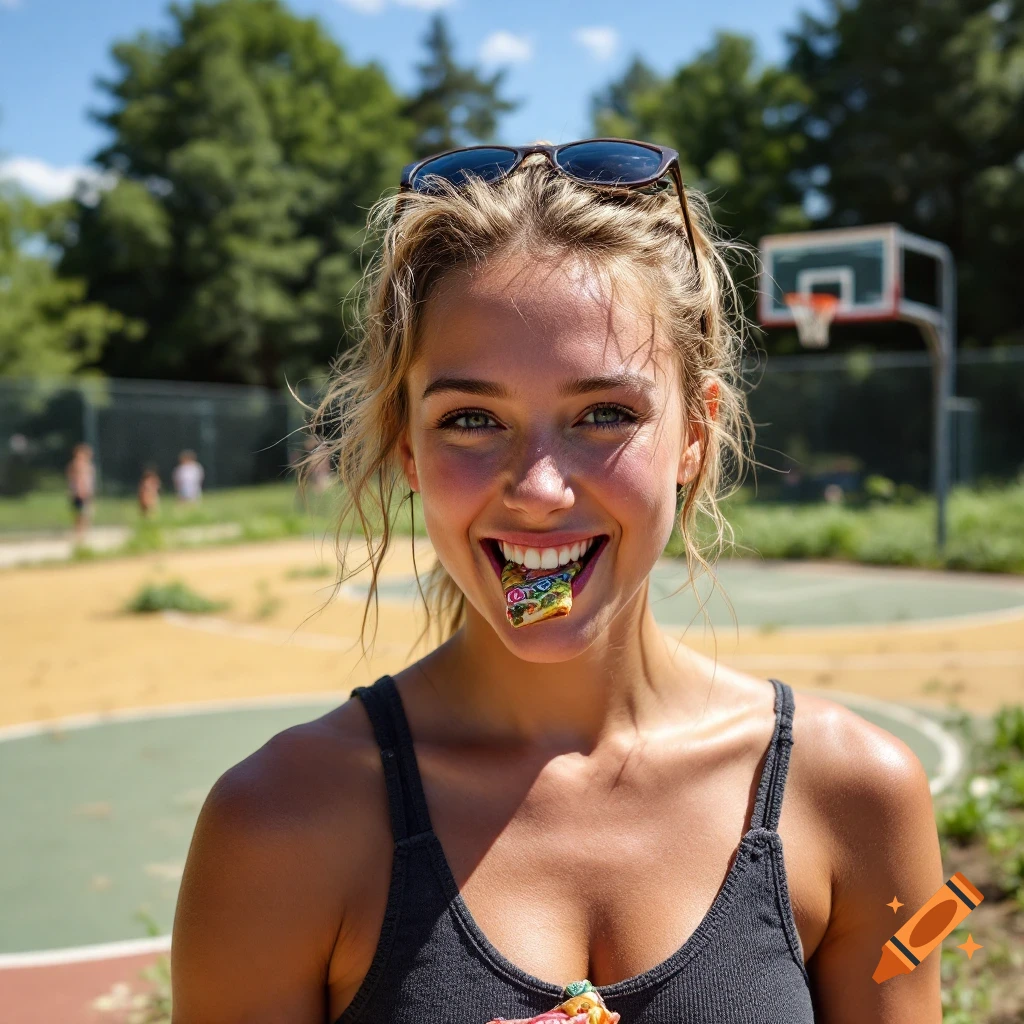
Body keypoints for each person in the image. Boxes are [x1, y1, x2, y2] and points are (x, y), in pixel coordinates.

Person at [172, 141, 942, 1024]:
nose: (538, 490)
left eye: (604, 414)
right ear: (407, 449)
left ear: (696, 432)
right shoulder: (275, 825)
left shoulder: (857, 796)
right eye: (470, 419)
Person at [65, 443, 96, 543]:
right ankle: (80, 534)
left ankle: (82, 534)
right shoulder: (78, 465)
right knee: (81, 514)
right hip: (81, 493)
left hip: (83, 492)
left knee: (84, 514)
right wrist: (81, 490)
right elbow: (78, 480)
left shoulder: (86, 465)